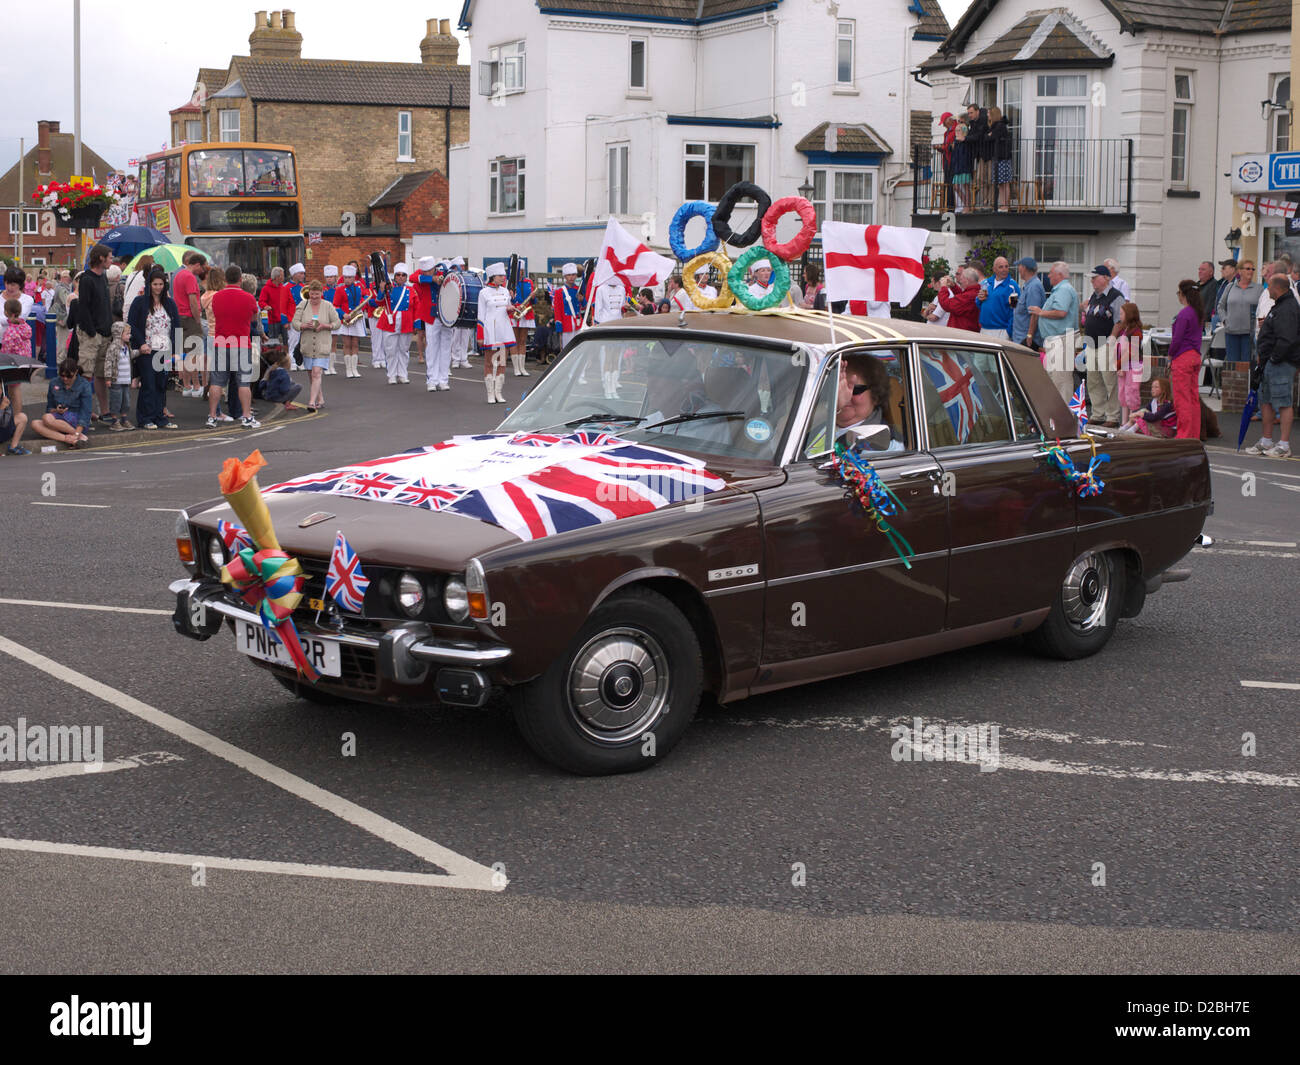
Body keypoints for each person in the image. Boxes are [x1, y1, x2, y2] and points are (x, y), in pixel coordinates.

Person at [1247, 272, 1298, 457]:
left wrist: (1274, 358)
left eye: (1268, 286)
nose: (1267, 289)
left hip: (1281, 362)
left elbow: (1287, 338)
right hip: (1269, 362)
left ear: (1277, 288)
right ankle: (1266, 441)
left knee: (1283, 402)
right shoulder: (1280, 306)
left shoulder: (1288, 308)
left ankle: (1284, 445)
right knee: (1266, 401)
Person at [208, 263, 262, 429]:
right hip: (241, 343)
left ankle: (212, 416)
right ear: (240, 279)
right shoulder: (249, 298)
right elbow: (253, 319)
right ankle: (246, 417)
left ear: (225, 279)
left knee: (217, 382)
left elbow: (216, 315)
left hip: (221, 342)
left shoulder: (217, 297)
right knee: (243, 383)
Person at [128, 267, 180, 431]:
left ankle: (160, 417)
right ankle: (145, 418)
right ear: (149, 284)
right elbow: (132, 325)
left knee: (161, 385)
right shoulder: (139, 302)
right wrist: (141, 343)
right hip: (147, 350)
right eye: (155, 284)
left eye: (161, 284)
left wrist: (176, 351)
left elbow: (176, 327)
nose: (158, 287)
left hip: (165, 351)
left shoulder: (170, 303)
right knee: (148, 385)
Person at [1030, 261, 1081, 401]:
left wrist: (1041, 312)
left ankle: (1062, 413)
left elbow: (1061, 312)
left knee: (1060, 380)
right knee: (1056, 378)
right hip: (1058, 339)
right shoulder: (1060, 289)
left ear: (1059, 275)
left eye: (1051, 273)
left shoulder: (1064, 289)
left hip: (1061, 339)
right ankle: (1059, 412)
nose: (1048, 276)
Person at [1082, 265, 1126, 426]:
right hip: (1091, 343)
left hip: (1105, 343)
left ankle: (1112, 416)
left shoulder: (1116, 296)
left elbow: (1119, 320)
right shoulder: (1094, 296)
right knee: (1093, 380)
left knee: (1110, 381)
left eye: (1095, 278)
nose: (1092, 281)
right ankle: (1098, 413)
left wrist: (1112, 339)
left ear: (1106, 278)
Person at [75, 245, 114, 414]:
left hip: (105, 333)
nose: (111, 261)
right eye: (110, 257)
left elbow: (104, 305)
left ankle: (104, 411)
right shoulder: (86, 279)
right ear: (101, 258)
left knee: (101, 375)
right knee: (86, 373)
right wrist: (92, 332)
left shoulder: (103, 277)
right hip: (91, 334)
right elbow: (83, 308)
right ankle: (84, 412)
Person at [837, 354, 904, 451]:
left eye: (856, 389)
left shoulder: (887, 445)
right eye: (838, 388)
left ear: (875, 395)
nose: (845, 395)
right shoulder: (820, 425)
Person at [291, 280, 339, 412]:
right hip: (307, 346)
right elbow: (295, 322)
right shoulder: (303, 305)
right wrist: (303, 325)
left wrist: (325, 326)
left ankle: (311, 402)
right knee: (311, 374)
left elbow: (337, 323)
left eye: (317, 294)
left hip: (322, 346)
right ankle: (320, 399)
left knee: (316, 373)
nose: (314, 297)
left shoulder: (328, 306)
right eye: (312, 294)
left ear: (321, 293)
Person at [364, 262, 416, 385]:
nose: (401, 277)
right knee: (391, 350)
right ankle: (392, 375)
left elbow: (416, 307)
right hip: (390, 323)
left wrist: (416, 324)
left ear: (406, 277)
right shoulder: (389, 289)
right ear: (395, 276)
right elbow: (379, 302)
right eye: (398, 275)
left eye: (403, 275)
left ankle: (402, 374)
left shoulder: (411, 290)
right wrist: (382, 290)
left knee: (403, 350)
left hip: (406, 323)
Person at [1168, 279, 1204, 440]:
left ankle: (1183, 435)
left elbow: (1177, 339)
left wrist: (1170, 355)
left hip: (1182, 358)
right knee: (1193, 398)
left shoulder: (1184, 314)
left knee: (1182, 399)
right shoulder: (1197, 312)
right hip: (1195, 356)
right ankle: (1193, 435)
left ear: (1183, 294)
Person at [30, 359, 93, 446]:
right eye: (62, 376)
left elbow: (85, 412)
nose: (65, 379)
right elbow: (50, 408)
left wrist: (77, 432)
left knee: (46, 418)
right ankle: (72, 440)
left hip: (77, 422)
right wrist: (57, 410)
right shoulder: (54, 382)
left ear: (76, 372)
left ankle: (77, 435)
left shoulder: (84, 385)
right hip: (57, 420)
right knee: (35, 424)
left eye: (69, 376)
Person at [477, 263, 515, 403]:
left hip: (504, 329)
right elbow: (481, 315)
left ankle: (498, 392)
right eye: (500, 276)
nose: (503, 278)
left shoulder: (506, 291)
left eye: (503, 276)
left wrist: (510, 309)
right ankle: (490, 393)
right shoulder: (484, 293)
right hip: (490, 330)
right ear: (493, 277)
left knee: (502, 362)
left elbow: (507, 312)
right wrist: (480, 335)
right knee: (489, 362)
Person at [172, 250, 207, 398]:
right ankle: (197, 386)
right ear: (197, 264)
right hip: (190, 318)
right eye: (203, 267)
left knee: (184, 353)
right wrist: (197, 319)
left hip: (179, 317)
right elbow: (193, 301)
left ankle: (186, 386)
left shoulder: (178, 275)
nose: (203, 271)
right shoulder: (190, 277)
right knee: (194, 354)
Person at [1216, 259, 1261, 366]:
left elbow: (1262, 309)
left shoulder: (1258, 289)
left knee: (1247, 366)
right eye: (1248, 269)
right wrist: (1225, 320)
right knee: (1232, 365)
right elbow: (1220, 306)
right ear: (1239, 271)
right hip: (1231, 333)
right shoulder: (1230, 287)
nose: (1251, 271)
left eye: (1252, 269)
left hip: (1249, 334)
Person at [591, 274, 627, 400]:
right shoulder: (601, 289)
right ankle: (607, 388)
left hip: (619, 325)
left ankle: (613, 387)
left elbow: (621, 308)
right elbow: (598, 309)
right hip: (607, 325)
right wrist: (600, 326)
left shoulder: (622, 288)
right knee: (608, 358)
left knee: (616, 358)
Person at [333, 264, 368, 379]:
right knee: (347, 344)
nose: (347, 280)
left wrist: (361, 307)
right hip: (346, 319)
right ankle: (348, 369)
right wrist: (343, 314)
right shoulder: (340, 289)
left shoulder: (359, 287)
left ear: (354, 278)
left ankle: (354, 368)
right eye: (345, 277)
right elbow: (335, 305)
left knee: (355, 344)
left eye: (349, 277)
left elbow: (364, 298)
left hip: (356, 318)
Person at [1114, 301, 1143, 425]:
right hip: (1123, 366)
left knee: (1132, 392)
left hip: (1133, 367)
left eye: (1122, 313)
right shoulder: (1123, 330)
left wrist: (1118, 364)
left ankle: (1132, 420)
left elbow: (1131, 351)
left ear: (1129, 314)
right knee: (1122, 393)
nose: (1120, 316)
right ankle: (1124, 421)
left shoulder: (1136, 332)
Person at [105, 306, 133, 431]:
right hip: (116, 380)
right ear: (118, 334)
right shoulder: (113, 348)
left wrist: (141, 351)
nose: (129, 335)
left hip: (126, 380)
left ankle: (124, 419)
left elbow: (131, 355)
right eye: (127, 333)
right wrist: (108, 378)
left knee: (126, 401)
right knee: (116, 400)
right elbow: (108, 363)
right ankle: (114, 420)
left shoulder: (127, 347)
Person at [977, 256, 1018, 339]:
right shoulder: (986, 283)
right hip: (984, 329)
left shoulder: (1012, 286)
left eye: (1006, 266)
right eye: (1001, 267)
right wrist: (979, 299)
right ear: (994, 269)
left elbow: (1015, 310)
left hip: (1001, 331)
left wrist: (1008, 331)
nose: (1004, 269)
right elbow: (978, 304)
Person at [553, 263, 586, 353]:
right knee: (567, 350)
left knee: (579, 349)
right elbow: (557, 311)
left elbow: (584, 307)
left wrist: (582, 300)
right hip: (566, 324)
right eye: (569, 275)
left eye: (573, 275)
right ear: (565, 276)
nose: (571, 277)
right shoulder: (559, 291)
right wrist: (559, 328)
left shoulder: (579, 289)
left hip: (578, 323)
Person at [1010, 257, 1043, 346]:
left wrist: (1029, 335)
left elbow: (1034, 313)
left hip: (1025, 340)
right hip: (1020, 337)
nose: (1018, 269)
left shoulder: (1034, 287)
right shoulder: (1028, 285)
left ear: (1024, 268)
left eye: (1019, 266)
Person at [937, 267, 980, 331]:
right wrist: (953, 286)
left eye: (961, 279)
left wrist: (943, 287)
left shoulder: (969, 296)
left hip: (961, 332)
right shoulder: (975, 292)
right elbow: (961, 298)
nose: (960, 281)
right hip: (965, 330)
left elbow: (947, 304)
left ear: (967, 281)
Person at [966, 103, 991, 209]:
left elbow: (978, 136)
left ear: (977, 111)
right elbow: (972, 135)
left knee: (990, 179)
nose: (970, 115)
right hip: (980, 154)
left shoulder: (984, 120)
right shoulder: (973, 123)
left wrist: (965, 138)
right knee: (980, 179)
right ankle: (985, 201)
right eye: (968, 113)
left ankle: (991, 202)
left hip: (989, 154)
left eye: (971, 113)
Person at [283, 263, 307, 369]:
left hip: (303, 318)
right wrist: (285, 321)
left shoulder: (304, 287)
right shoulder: (286, 287)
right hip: (292, 318)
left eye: (303, 273)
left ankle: (300, 361)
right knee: (293, 341)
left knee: (304, 341)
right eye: (301, 273)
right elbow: (283, 305)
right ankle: (292, 361)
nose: (303, 276)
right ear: (294, 275)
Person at [988, 106, 1013, 210]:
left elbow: (992, 137)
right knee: (1001, 183)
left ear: (993, 114)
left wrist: (991, 135)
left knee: (1005, 182)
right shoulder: (996, 126)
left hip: (1003, 157)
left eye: (989, 113)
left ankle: (1005, 204)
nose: (987, 115)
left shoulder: (1000, 126)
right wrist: (990, 135)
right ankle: (1003, 204)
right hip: (998, 157)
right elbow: (989, 136)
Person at [258, 267, 287, 347]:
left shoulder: (283, 288)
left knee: (287, 341)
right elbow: (261, 302)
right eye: (282, 275)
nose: (283, 277)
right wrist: (266, 306)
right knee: (273, 343)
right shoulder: (266, 289)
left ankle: (287, 354)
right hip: (273, 320)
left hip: (284, 319)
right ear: (277, 277)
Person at [936, 112, 958, 211]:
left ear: (949, 120)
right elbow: (947, 146)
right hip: (947, 160)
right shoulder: (947, 133)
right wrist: (941, 148)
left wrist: (943, 147)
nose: (943, 125)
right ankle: (948, 204)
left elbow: (952, 146)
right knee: (947, 183)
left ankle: (951, 205)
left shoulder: (956, 130)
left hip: (953, 161)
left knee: (951, 183)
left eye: (944, 122)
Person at [321, 264, 340, 375]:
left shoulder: (339, 289)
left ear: (336, 277)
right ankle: (326, 366)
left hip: (335, 318)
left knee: (333, 343)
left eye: (331, 277)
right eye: (327, 277)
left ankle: (331, 366)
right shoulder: (322, 290)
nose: (329, 279)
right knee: (326, 343)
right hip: (325, 318)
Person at [950, 122, 973, 212]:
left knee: (966, 186)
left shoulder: (966, 142)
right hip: (957, 167)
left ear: (963, 131)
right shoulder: (956, 142)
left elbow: (967, 154)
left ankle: (967, 206)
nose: (956, 132)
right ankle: (966, 203)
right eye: (956, 130)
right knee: (956, 186)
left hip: (964, 166)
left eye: (958, 130)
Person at [1, 384, 29, 455]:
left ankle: (13, 446)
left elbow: (6, 420)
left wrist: (7, 409)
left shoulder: (4, 395)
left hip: (4, 430)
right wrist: (1, 409)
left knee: (22, 417)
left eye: (0, 388)